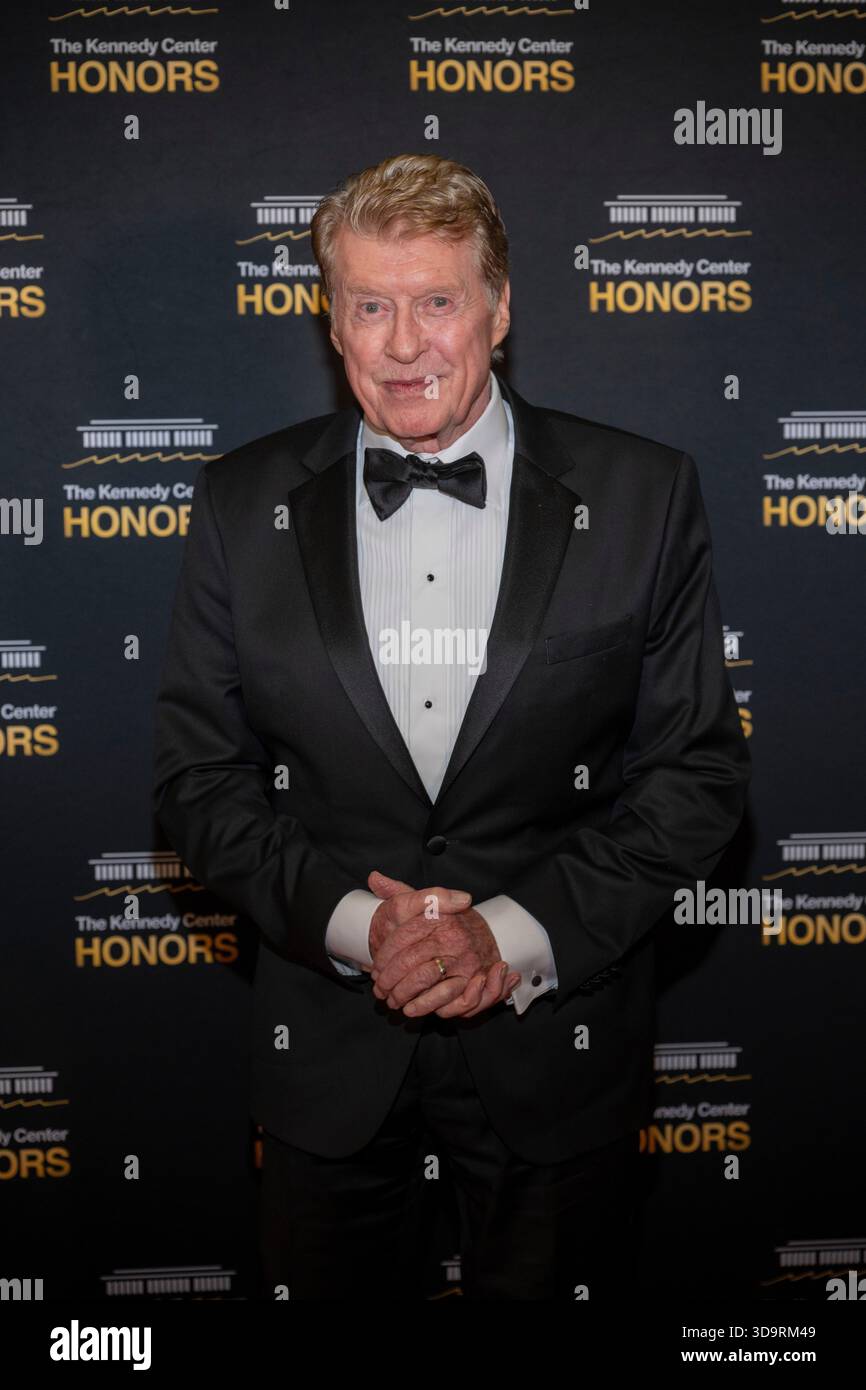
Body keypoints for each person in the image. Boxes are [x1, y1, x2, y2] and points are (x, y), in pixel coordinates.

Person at [152, 152, 750, 1300]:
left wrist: (510, 935)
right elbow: (197, 776)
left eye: (436, 301)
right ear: (332, 323)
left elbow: (693, 778)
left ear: (500, 308)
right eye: (369, 305)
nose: (403, 341)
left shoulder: (639, 493)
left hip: (557, 1046)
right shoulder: (240, 501)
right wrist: (349, 924)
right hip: (327, 1059)